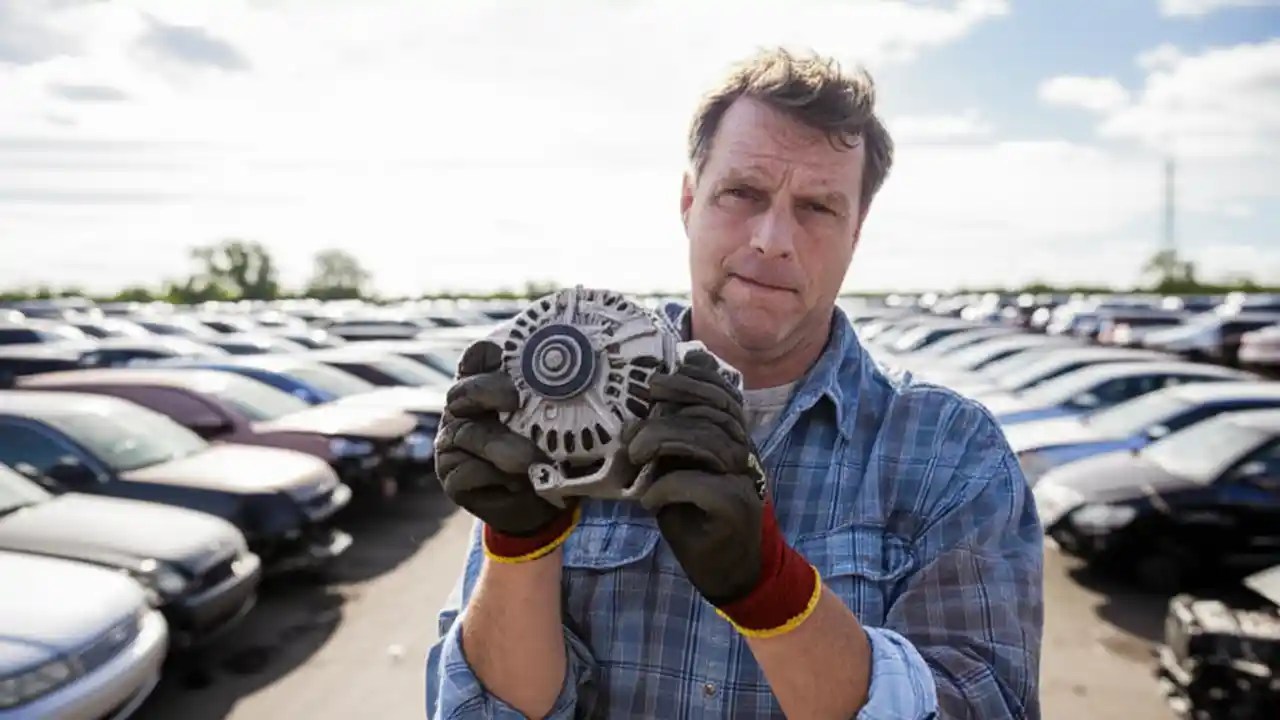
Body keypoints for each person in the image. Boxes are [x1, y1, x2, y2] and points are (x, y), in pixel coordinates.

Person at [426, 47, 1043, 719]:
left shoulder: (950, 454)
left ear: (856, 232)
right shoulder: (563, 409)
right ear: (690, 201)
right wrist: (519, 546)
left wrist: (773, 591)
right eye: (742, 193)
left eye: (817, 207)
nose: (774, 237)